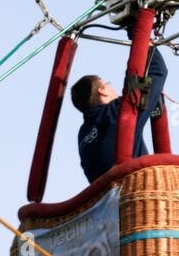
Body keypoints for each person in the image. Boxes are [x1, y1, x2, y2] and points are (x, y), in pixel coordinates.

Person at [72, 45, 168, 183]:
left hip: (104, 202)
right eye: (107, 84)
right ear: (102, 91)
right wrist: (148, 45)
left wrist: (152, 92)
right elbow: (158, 71)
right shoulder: (117, 110)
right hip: (134, 192)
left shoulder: (83, 133)